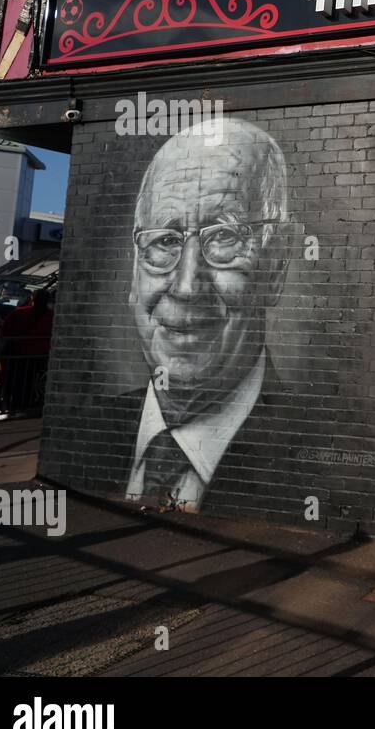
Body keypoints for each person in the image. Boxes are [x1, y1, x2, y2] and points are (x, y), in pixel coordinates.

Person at [96, 117, 295, 510]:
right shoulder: (85, 430)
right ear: (135, 267)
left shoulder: (316, 448)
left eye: (224, 236)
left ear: (275, 266)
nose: (186, 286)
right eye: (164, 241)